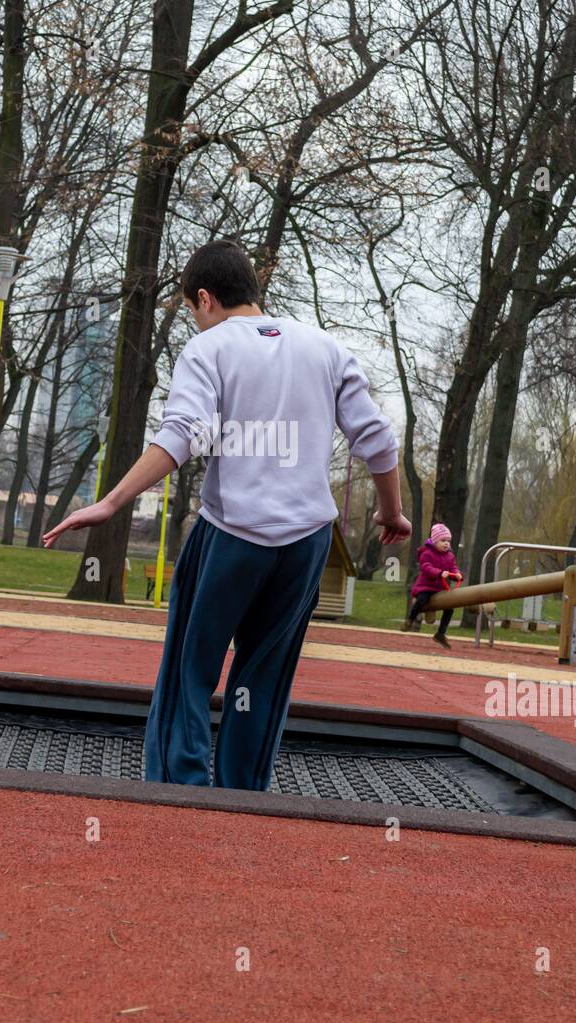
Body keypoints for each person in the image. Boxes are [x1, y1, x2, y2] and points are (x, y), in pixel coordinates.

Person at [44, 238, 411, 790]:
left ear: (206, 299)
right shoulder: (325, 349)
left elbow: (182, 435)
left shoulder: (210, 349)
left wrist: (112, 501)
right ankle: (244, 798)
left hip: (232, 536)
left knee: (190, 671)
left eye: (192, 311)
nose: (195, 322)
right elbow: (378, 440)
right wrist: (393, 512)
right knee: (262, 677)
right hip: (306, 541)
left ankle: (178, 790)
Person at [402, 523, 462, 648]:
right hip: (425, 586)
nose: (446, 543)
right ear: (434, 541)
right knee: (422, 599)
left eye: (448, 541)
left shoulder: (450, 555)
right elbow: (426, 568)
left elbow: (453, 567)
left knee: (450, 608)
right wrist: (439, 573)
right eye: (443, 540)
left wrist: (457, 574)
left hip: (440, 588)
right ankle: (410, 620)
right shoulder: (427, 553)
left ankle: (441, 633)